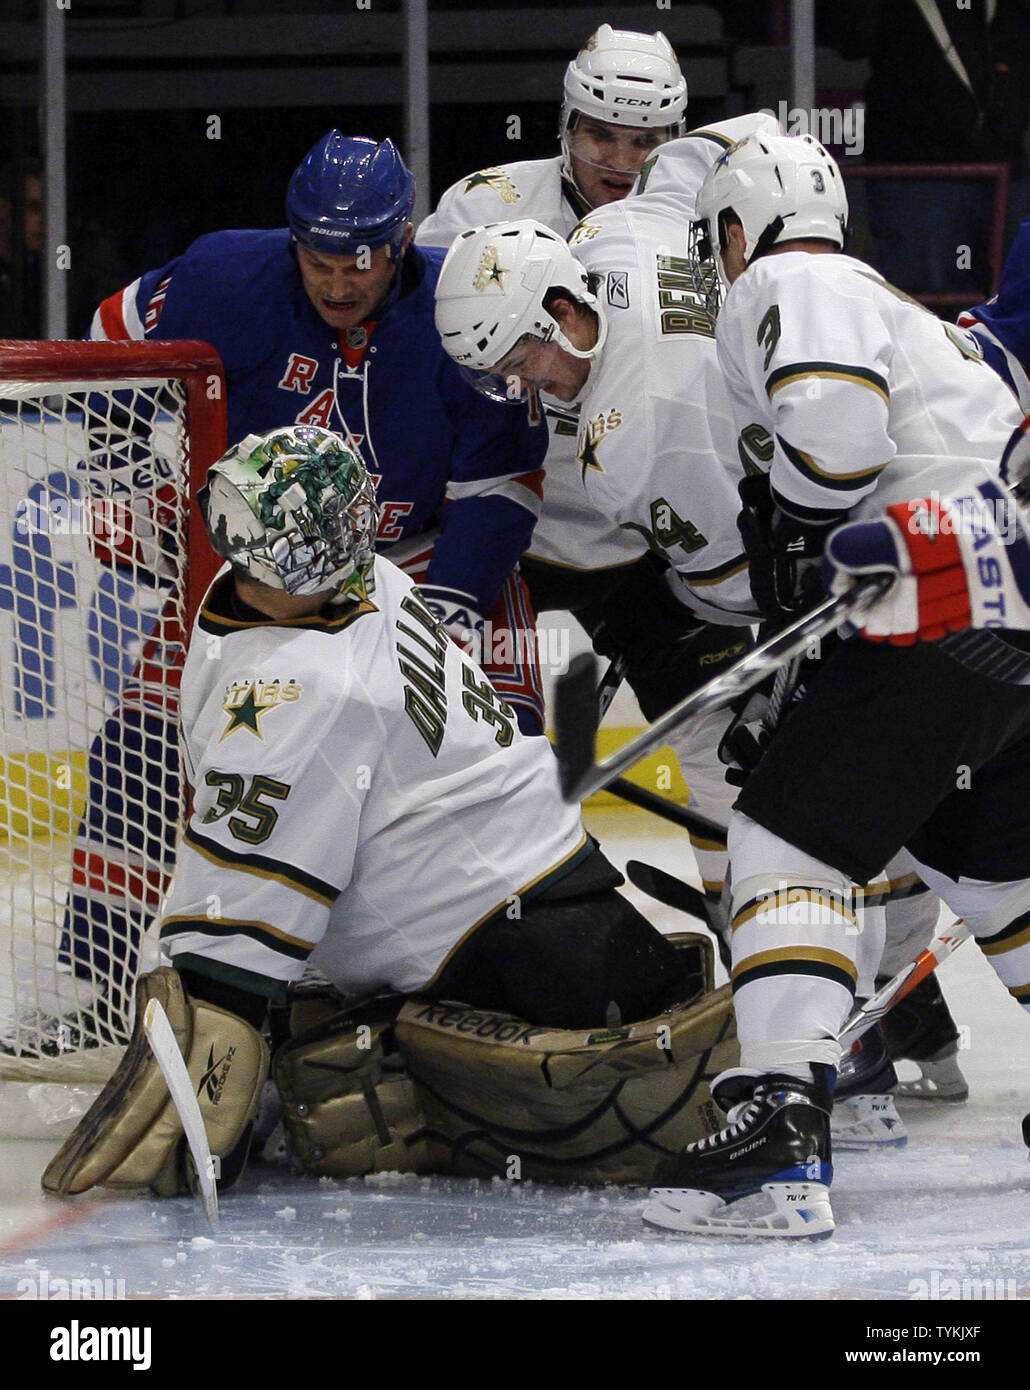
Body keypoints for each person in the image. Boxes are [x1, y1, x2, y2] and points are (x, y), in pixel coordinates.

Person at [40, 425, 712, 1200]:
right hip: (547, 882)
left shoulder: (299, 688)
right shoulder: (374, 579)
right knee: (670, 1040)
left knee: (664, 1093)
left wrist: (218, 1002)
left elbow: (256, 883)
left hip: (484, 936)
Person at [1, 132, 547, 1063]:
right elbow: (109, 332)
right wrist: (131, 459)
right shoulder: (224, 275)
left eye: (362, 262)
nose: (339, 284)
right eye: (319, 260)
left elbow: (502, 482)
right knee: (143, 744)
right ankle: (96, 989)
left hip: (418, 563)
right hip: (256, 574)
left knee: (498, 758)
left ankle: (495, 988)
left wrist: (454, 601)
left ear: (401, 237)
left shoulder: (464, 296)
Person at [644, 131, 1030, 1239]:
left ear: (733, 228)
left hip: (939, 591)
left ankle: (775, 1148)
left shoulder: (787, 277)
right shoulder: (909, 315)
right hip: (1007, 610)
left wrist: (803, 551)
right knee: (993, 868)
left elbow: (834, 438)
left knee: (783, 845)